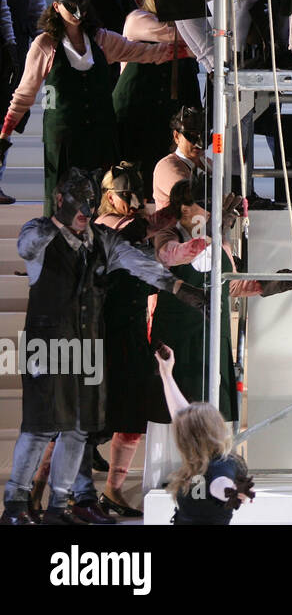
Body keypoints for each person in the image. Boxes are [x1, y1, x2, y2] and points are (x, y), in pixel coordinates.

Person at [0, 169, 205, 526]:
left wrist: (179, 289)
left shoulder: (101, 239)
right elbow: (26, 246)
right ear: (62, 199)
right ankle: (15, 504)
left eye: (90, 201)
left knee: (79, 429)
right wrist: (60, 223)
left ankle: (61, 505)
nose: (86, 208)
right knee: (40, 426)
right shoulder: (39, 231)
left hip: (86, 342)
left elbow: (141, 264)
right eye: (79, 200)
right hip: (47, 342)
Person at [0, 0, 181, 213]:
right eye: (71, 6)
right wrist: (4, 134)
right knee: (62, 203)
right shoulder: (45, 45)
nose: (78, 13)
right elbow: (24, 93)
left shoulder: (101, 39)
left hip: (100, 134)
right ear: (56, 7)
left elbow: (144, 52)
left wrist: (186, 49)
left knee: (101, 198)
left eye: (82, 6)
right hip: (63, 138)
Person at [147, 178, 292, 422]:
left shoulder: (219, 239)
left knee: (212, 416)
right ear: (184, 209)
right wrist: (210, 233)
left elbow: (230, 284)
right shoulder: (167, 235)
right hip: (178, 337)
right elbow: (173, 257)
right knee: (173, 418)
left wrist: (266, 284)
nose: (211, 212)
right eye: (205, 206)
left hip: (214, 333)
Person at [91, 163, 155, 518]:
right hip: (103, 333)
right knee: (82, 424)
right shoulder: (105, 229)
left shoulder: (133, 228)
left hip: (131, 330)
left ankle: (113, 489)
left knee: (131, 419)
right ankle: (40, 492)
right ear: (109, 196)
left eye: (134, 195)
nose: (130, 202)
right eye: (124, 195)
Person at [154, 345, 254, 525]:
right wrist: (166, 374)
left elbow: (220, 483)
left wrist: (232, 491)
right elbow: (182, 415)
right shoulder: (207, 458)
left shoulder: (221, 465)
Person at [111, 8, 202, 199]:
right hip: (134, 118)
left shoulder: (190, 24)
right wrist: (193, 36)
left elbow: (198, 42)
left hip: (168, 117)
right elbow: (193, 40)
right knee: (132, 184)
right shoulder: (137, 19)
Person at [0, 0, 47, 204]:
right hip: (7, 46)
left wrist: (45, 42)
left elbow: (36, 8)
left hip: (15, 51)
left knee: (7, 118)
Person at [153, 106, 209, 210]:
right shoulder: (167, 167)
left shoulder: (208, 163)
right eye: (192, 135)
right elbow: (192, 202)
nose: (199, 143)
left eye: (204, 135)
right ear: (176, 136)